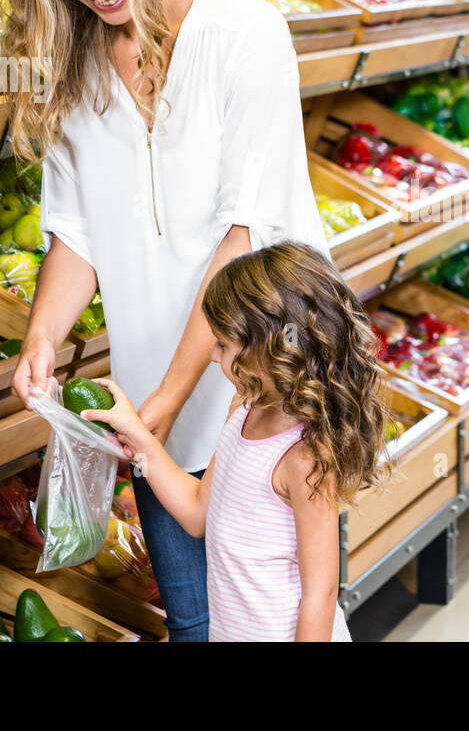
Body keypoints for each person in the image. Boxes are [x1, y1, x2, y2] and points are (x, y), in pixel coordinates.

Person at [1, 0, 328, 641]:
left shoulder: (245, 37)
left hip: (265, 396)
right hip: (154, 393)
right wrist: (43, 336)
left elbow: (241, 238)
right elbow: (77, 230)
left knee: (275, 613)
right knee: (193, 623)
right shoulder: (73, 67)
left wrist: (164, 409)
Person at [84, 241, 390, 641]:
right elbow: (198, 513)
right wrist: (137, 435)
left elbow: (321, 593)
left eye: (223, 344)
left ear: (269, 345)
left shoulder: (305, 457)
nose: (213, 355)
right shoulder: (242, 409)